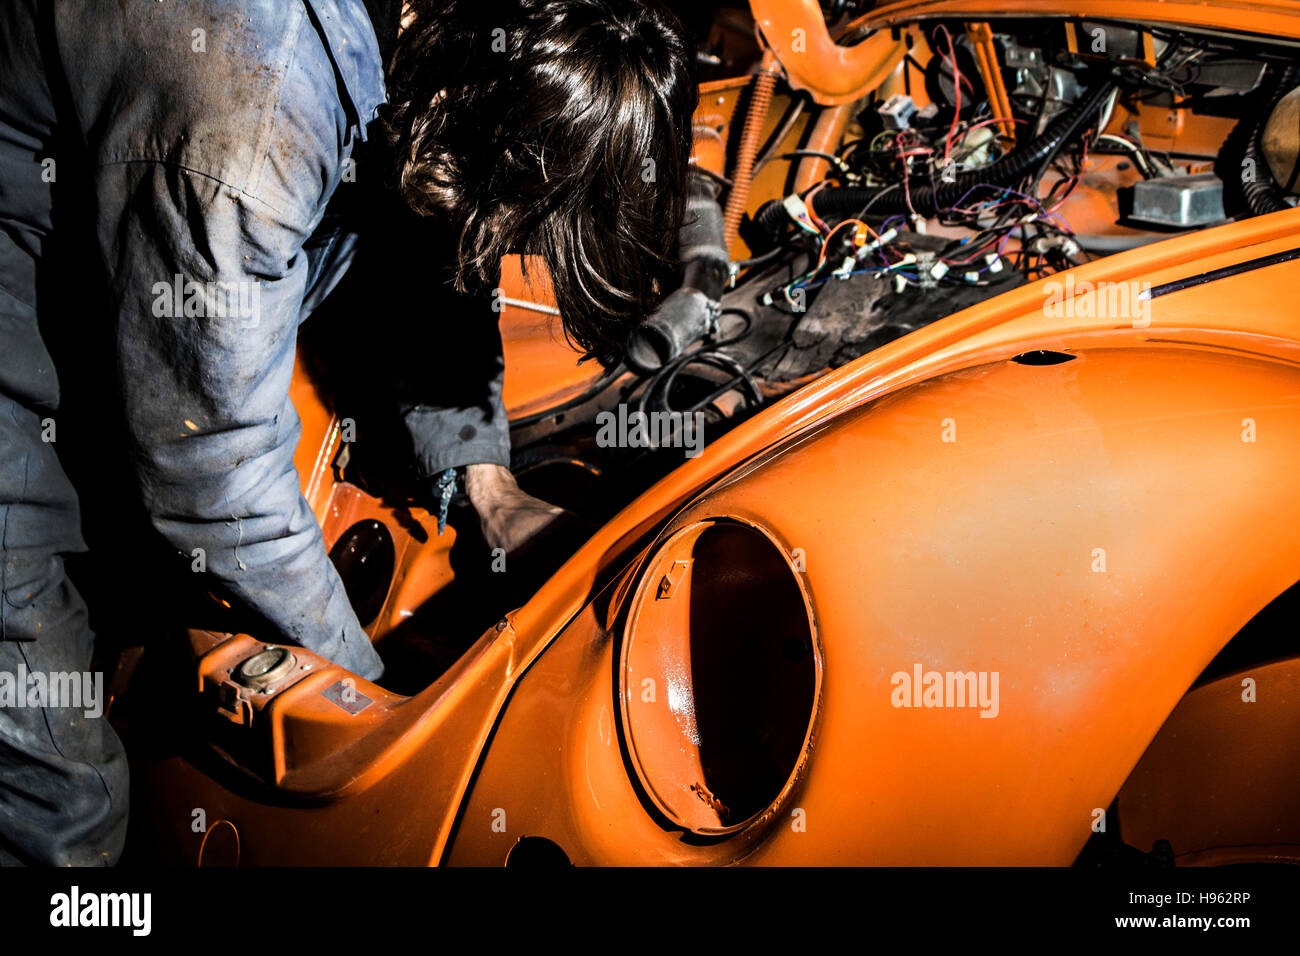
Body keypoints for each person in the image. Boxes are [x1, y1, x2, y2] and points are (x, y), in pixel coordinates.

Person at [0, 0, 694, 865]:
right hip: (18, 358)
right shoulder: (252, 106)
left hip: (134, 275)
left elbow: (429, 246)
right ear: (454, 115)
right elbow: (214, 473)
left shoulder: (441, 58)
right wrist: (378, 693)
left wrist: (485, 485)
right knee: (69, 812)